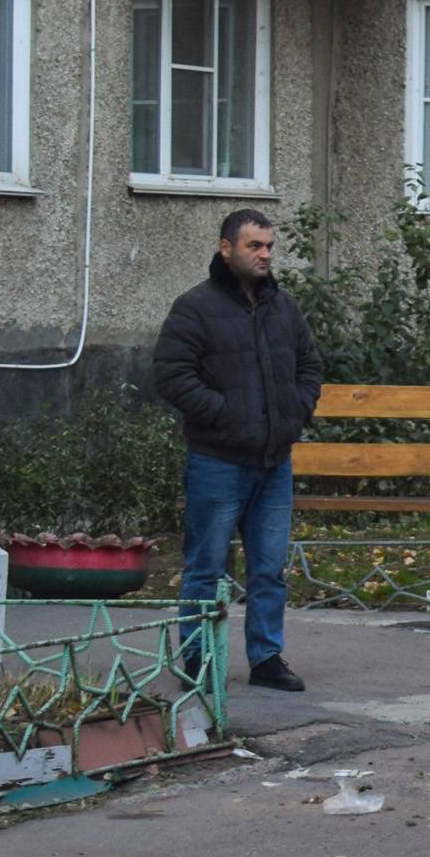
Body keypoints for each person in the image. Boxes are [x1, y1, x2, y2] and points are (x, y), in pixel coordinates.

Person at [151, 209, 323, 692]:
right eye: (254, 246)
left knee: (269, 570)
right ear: (226, 248)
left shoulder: (283, 308)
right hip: (217, 463)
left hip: (273, 463)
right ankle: (198, 662)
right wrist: (225, 414)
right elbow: (172, 375)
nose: (265, 254)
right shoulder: (195, 307)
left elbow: (310, 365)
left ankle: (266, 658)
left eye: (269, 246)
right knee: (205, 569)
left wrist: (294, 411)